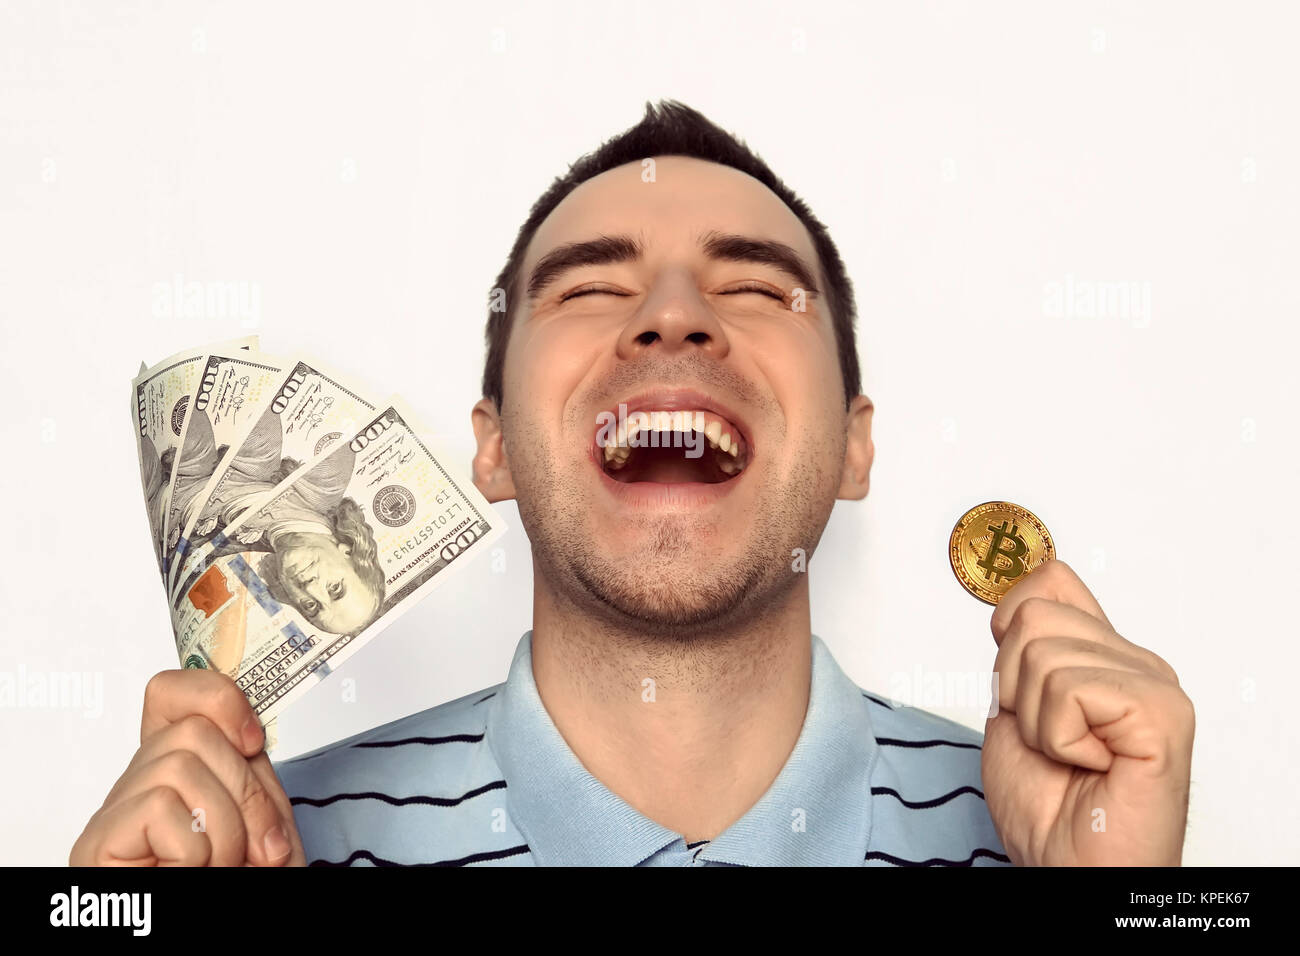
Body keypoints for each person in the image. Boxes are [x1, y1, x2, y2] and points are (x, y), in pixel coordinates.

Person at [71, 101, 1194, 867]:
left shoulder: (1053, 830)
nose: (670, 313)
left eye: (755, 286)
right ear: (496, 445)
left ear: (855, 446)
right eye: (589, 287)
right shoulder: (266, 840)